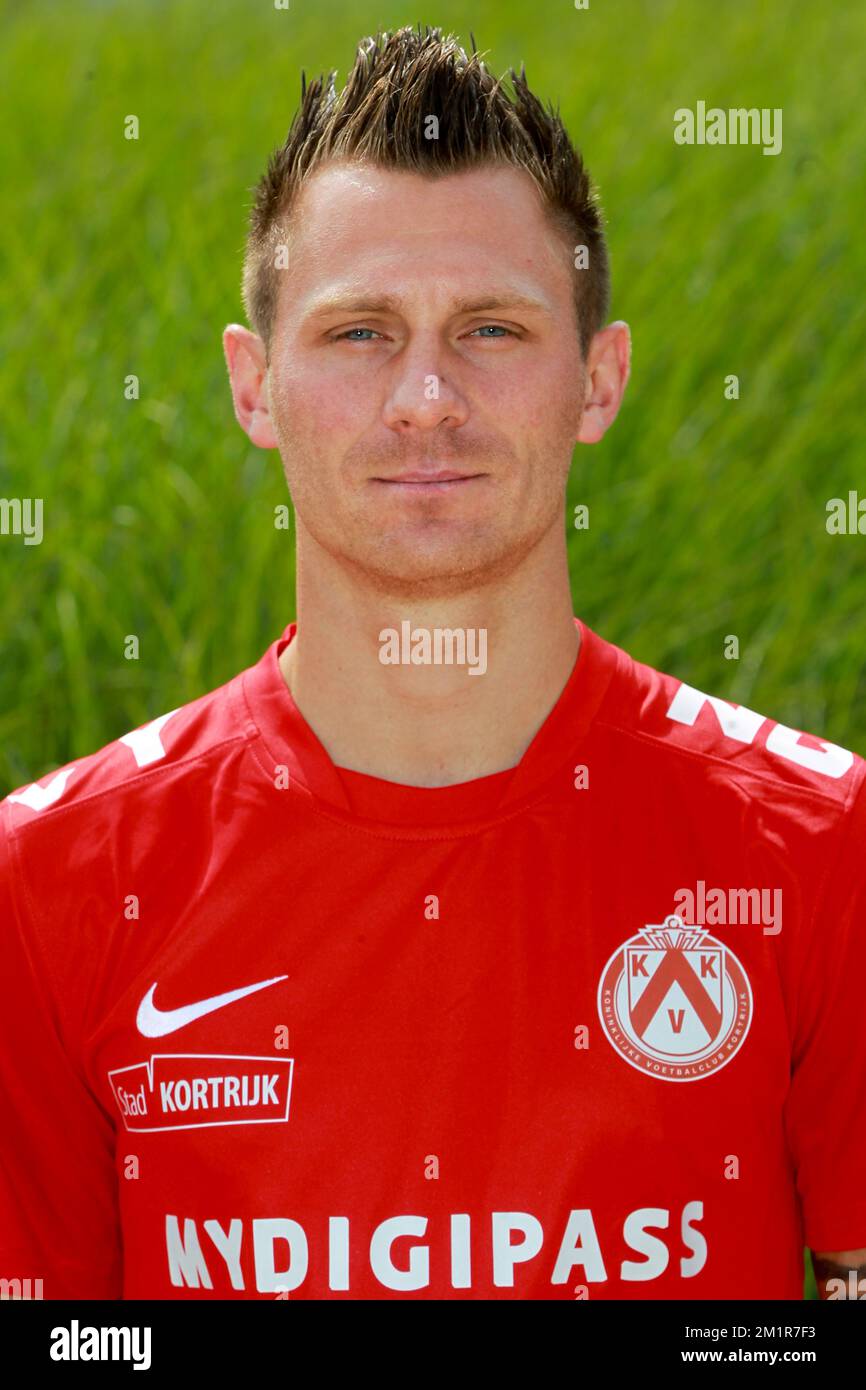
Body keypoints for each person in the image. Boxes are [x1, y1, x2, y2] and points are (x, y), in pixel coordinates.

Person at [1, 24, 864, 1301]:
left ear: (596, 378)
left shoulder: (818, 849)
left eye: (492, 330)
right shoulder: (52, 881)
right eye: (357, 333)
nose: (423, 399)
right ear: (253, 387)